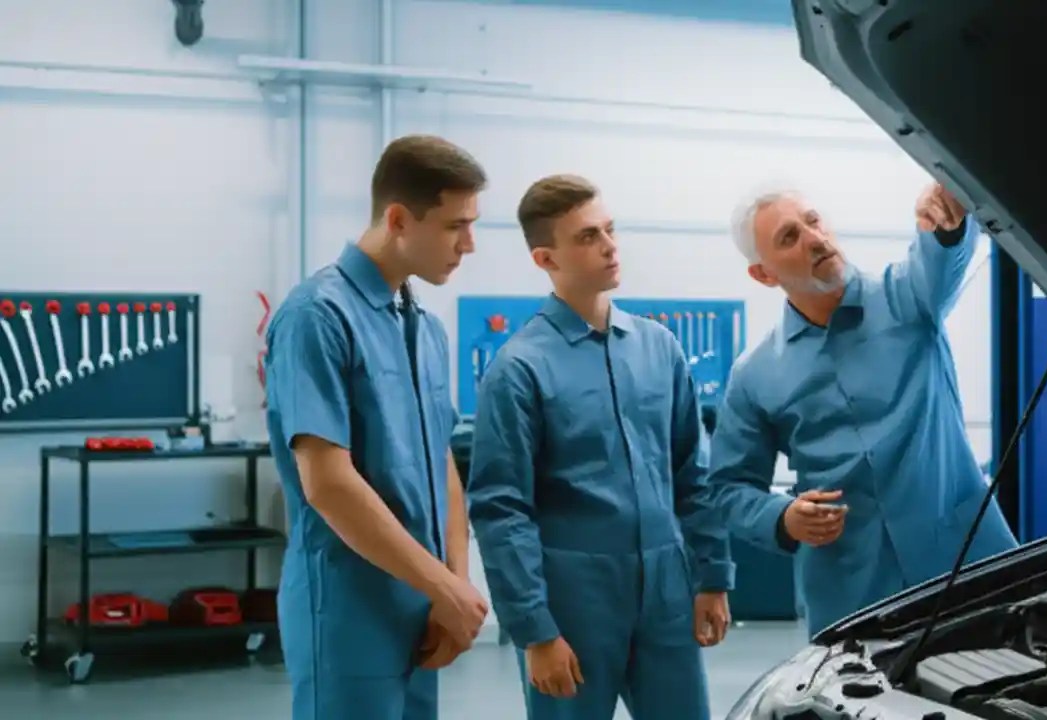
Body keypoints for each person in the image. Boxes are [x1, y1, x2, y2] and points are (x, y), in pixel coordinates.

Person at [467, 174, 733, 720]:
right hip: (572, 597)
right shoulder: (519, 369)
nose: (610, 247)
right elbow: (501, 510)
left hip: (666, 587)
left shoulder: (660, 348)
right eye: (588, 237)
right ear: (547, 258)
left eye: (610, 230)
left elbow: (691, 474)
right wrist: (535, 630)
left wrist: (713, 575)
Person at [706, 181, 1019, 638]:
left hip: (965, 564)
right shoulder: (755, 376)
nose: (814, 239)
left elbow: (940, 259)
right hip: (851, 596)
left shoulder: (907, 300)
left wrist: (947, 227)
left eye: (814, 221)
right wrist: (783, 517)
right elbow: (728, 487)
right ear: (764, 274)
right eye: (789, 237)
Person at [264, 134, 491, 720]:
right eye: (454, 226)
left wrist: (453, 591)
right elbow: (328, 484)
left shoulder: (425, 328)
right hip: (347, 610)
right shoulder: (316, 317)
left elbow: (443, 469)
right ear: (397, 219)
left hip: (420, 608)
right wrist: (445, 589)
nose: (469, 244)